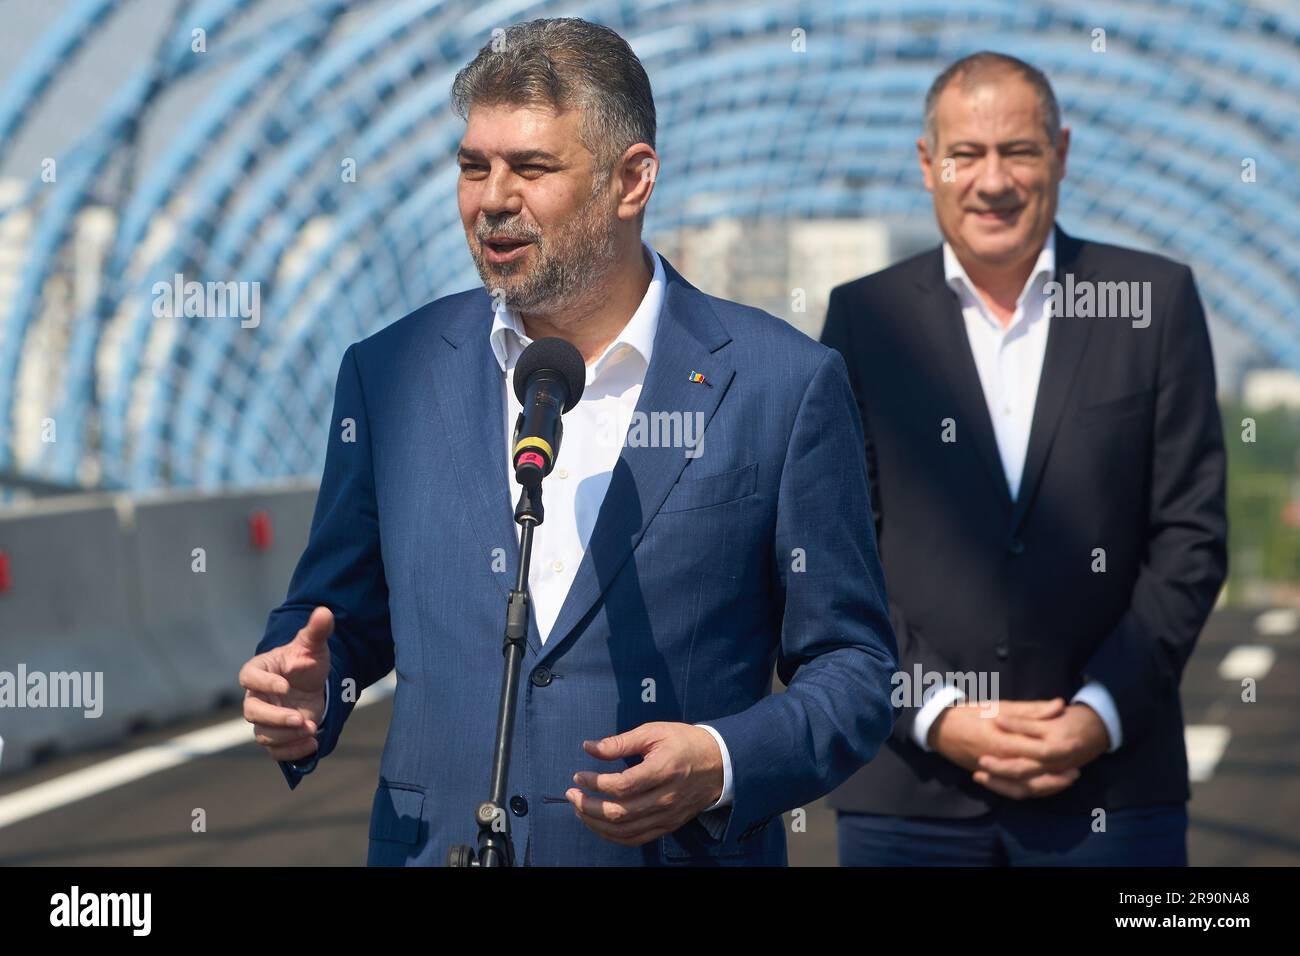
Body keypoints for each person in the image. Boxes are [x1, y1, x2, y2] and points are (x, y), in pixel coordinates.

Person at [239, 17, 897, 867]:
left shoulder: (782, 384)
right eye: (473, 167)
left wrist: (723, 761)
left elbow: (852, 666)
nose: (492, 199)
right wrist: (308, 690)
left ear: (633, 179)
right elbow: (339, 619)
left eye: (533, 167)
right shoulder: (391, 375)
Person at [821, 51, 1227, 866]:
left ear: (1062, 153)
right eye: (966, 154)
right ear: (928, 164)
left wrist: (1098, 713)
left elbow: (1191, 535)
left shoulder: (1153, 303)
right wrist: (937, 712)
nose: (993, 181)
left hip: (1113, 798)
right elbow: (837, 553)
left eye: (1020, 151)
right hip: (909, 802)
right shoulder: (864, 320)